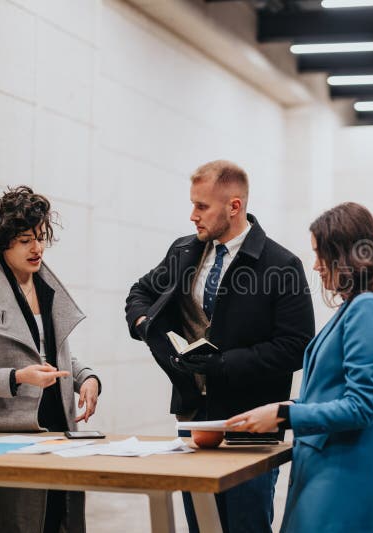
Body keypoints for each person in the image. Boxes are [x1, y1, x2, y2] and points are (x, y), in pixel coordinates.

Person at [125, 160, 315, 533]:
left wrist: (223, 364)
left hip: (252, 425)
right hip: (194, 419)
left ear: (234, 206)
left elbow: (296, 346)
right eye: (193, 204)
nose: (193, 215)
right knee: (202, 525)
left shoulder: (282, 265)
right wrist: (145, 326)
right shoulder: (184, 251)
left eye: (202, 206)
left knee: (245, 525)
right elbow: (141, 292)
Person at [226, 202, 373, 533]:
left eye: (320, 254)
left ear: (346, 255)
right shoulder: (356, 306)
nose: (316, 266)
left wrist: (285, 416)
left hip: (342, 478)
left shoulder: (367, 309)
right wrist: (279, 409)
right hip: (324, 469)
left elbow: (361, 406)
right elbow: (331, 395)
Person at [0, 186, 101, 533]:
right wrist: (15, 378)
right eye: (26, 239)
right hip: (3, 439)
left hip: (58, 434)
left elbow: (56, 354)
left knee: (56, 523)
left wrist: (87, 377)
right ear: (2, 242)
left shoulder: (49, 288)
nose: (37, 248)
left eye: (41, 237)